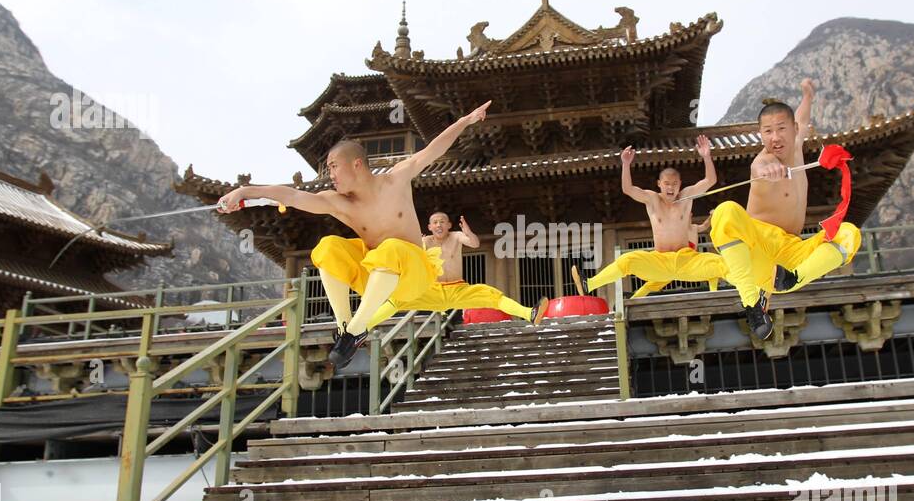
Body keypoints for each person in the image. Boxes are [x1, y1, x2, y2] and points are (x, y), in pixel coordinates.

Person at [218, 101, 492, 368]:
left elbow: (435, 149)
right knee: (328, 247)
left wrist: (466, 120)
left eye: (334, 165)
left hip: (412, 274)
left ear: (357, 164)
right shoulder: (338, 202)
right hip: (376, 277)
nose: (330, 174)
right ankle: (347, 327)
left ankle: (357, 329)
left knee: (391, 249)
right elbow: (292, 195)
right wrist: (246, 192)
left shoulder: (396, 179)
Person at [709, 79, 861, 338]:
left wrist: (808, 97)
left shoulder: (797, 145)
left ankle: (794, 278)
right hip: (759, 249)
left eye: (781, 129)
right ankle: (751, 302)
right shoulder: (763, 160)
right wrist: (766, 169)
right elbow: (761, 166)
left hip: (791, 254)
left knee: (849, 233)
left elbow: (801, 116)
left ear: (794, 129)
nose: (775, 137)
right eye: (767, 131)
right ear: (761, 134)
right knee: (725, 212)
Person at [576, 135, 726, 299]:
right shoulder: (652, 199)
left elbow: (710, 180)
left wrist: (706, 156)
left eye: (674, 184)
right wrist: (625, 164)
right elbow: (628, 189)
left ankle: (751, 295)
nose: (671, 188)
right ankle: (590, 284)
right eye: (667, 184)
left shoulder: (687, 196)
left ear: (680, 184)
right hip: (659, 261)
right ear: (659, 184)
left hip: (687, 260)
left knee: (721, 263)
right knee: (627, 260)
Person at [368, 211, 547, 325]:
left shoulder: (456, 237)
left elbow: (475, 244)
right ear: (430, 227)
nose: (439, 225)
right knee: (398, 299)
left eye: (442, 222)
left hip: (457, 289)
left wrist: (468, 232)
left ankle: (528, 313)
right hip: (432, 291)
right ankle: (362, 327)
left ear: (448, 225)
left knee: (493, 295)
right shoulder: (424, 241)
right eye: (435, 222)